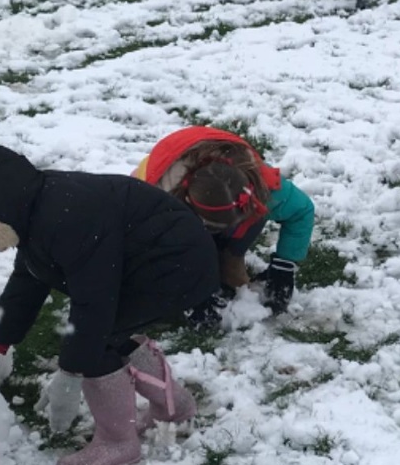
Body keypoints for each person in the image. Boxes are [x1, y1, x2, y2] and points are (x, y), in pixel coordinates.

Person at [0, 133, 219, 465]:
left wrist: (71, 372)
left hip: (174, 265)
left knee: (97, 342)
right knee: (108, 334)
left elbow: (94, 302)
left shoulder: (67, 219)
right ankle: (175, 407)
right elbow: (26, 285)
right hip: (151, 262)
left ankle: (118, 442)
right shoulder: (34, 212)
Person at [134, 126, 315, 320]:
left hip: (225, 199)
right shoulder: (153, 199)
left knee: (240, 230)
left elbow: (301, 211)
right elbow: (144, 252)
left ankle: (228, 256)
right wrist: (189, 292)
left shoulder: (263, 184)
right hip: (173, 196)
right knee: (180, 247)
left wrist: (284, 267)